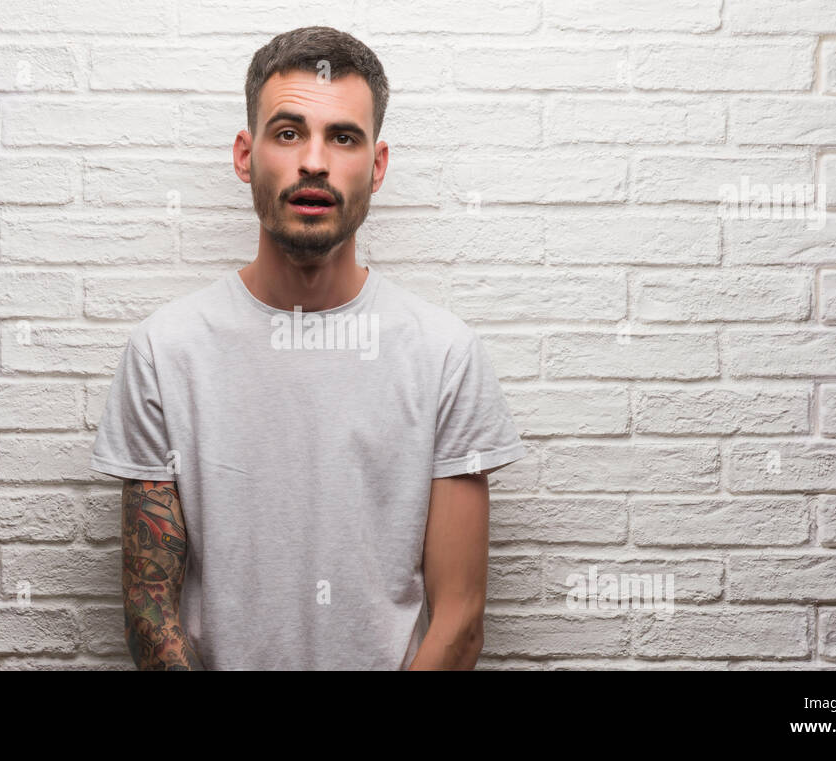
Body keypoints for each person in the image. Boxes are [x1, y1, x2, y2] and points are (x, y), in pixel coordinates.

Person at [90, 26, 525, 670]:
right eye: (288, 132)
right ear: (246, 155)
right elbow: (152, 614)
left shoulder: (444, 355)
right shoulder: (166, 351)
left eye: (342, 137)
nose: (314, 162)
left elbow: (458, 621)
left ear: (376, 167)